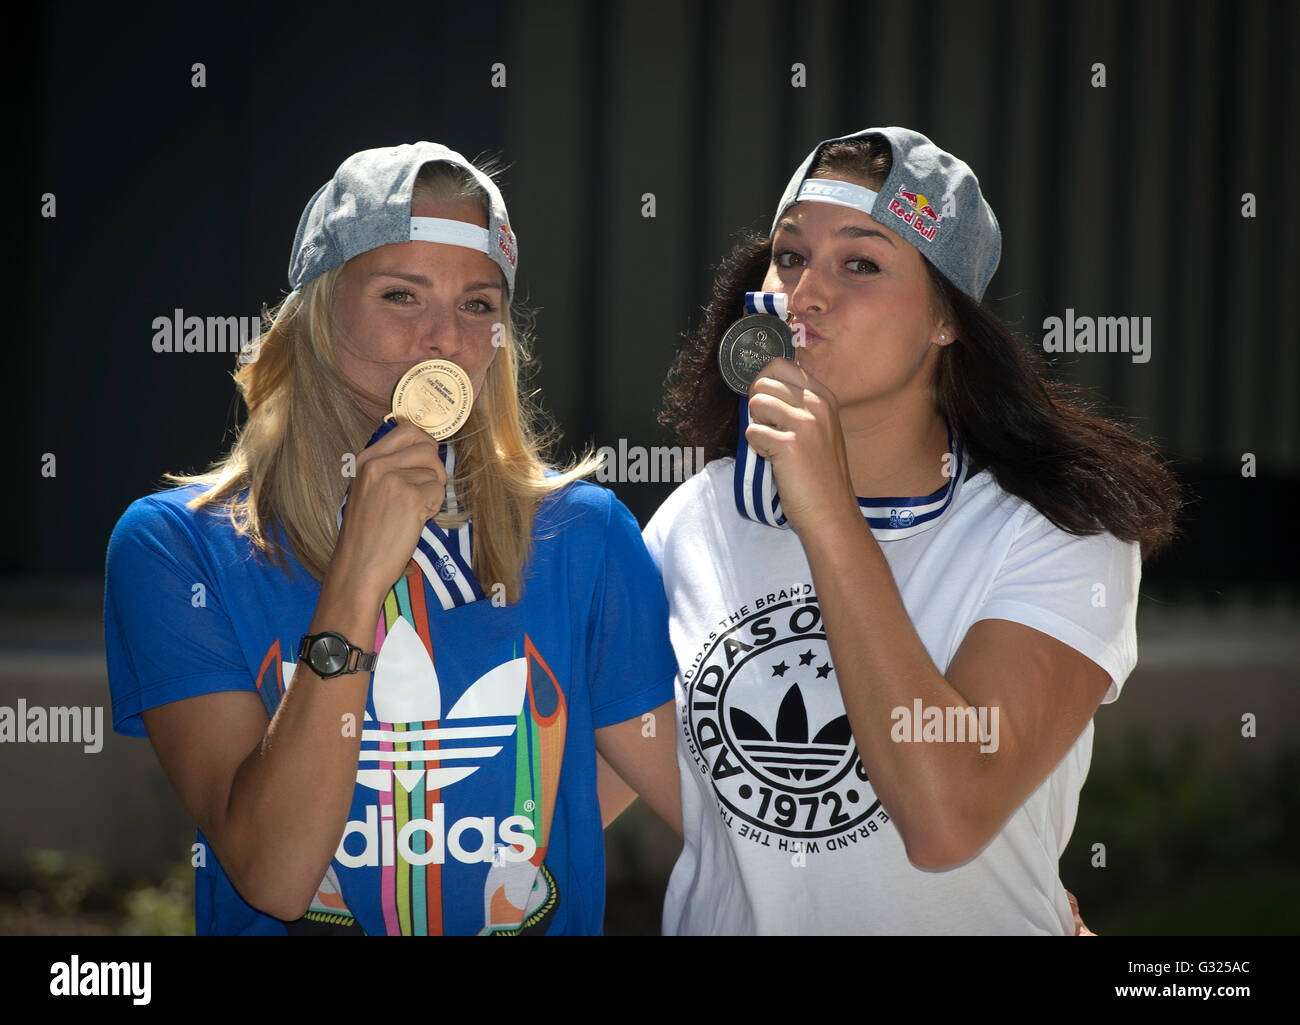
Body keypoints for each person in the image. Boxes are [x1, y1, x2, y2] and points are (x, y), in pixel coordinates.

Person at [104, 141, 681, 935]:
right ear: (316, 310)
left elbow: (669, 792)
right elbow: (272, 873)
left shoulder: (584, 534)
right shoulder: (176, 547)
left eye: (479, 305)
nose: (443, 337)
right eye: (402, 295)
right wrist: (356, 576)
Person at [646, 126, 1181, 934]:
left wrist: (827, 512)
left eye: (860, 263)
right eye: (790, 256)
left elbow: (944, 819)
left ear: (947, 319)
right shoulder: (696, 519)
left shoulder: (1057, 529)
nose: (806, 293)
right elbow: (604, 787)